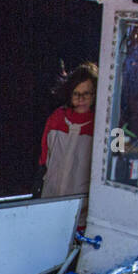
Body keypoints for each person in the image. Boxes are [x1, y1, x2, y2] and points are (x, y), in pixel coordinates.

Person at [39, 62, 98, 199]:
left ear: (95, 94)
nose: (81, 99)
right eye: (76, 94)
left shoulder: (102, 123)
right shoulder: (57, 117)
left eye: (86, 93)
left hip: (81, 204)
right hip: (50, 197)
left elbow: (117, 152)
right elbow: (44, 156)